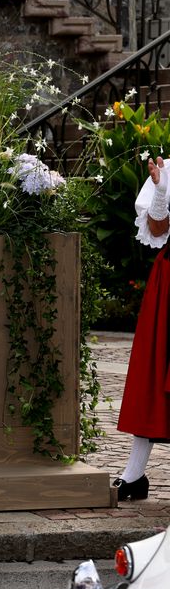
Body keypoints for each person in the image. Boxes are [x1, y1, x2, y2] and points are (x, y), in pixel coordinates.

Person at [114, 156, 170, 500]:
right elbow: (158, 229)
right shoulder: (169, 171)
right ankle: (134, 475)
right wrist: (162, 189)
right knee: (155, 378)